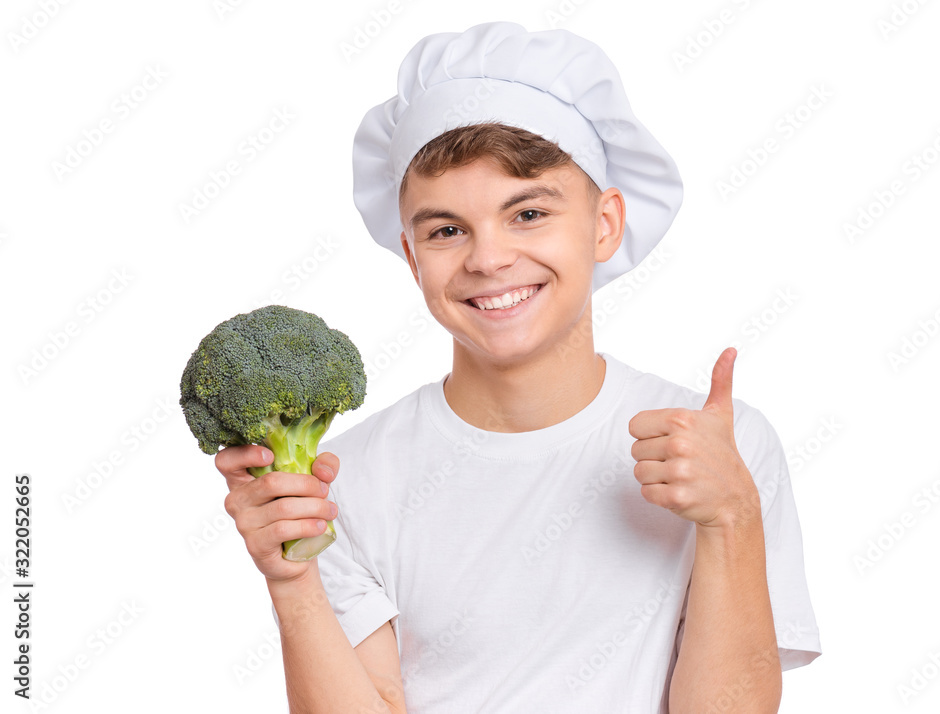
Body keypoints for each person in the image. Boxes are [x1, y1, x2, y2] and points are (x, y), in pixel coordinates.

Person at [216, 21, 821, 713]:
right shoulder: (336, 484)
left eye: (528, 213)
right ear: (412, 257)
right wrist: (292, 583)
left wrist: (731, 516)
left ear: (605, 224)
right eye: (446, 229)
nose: (488, 258)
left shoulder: (723, 449)